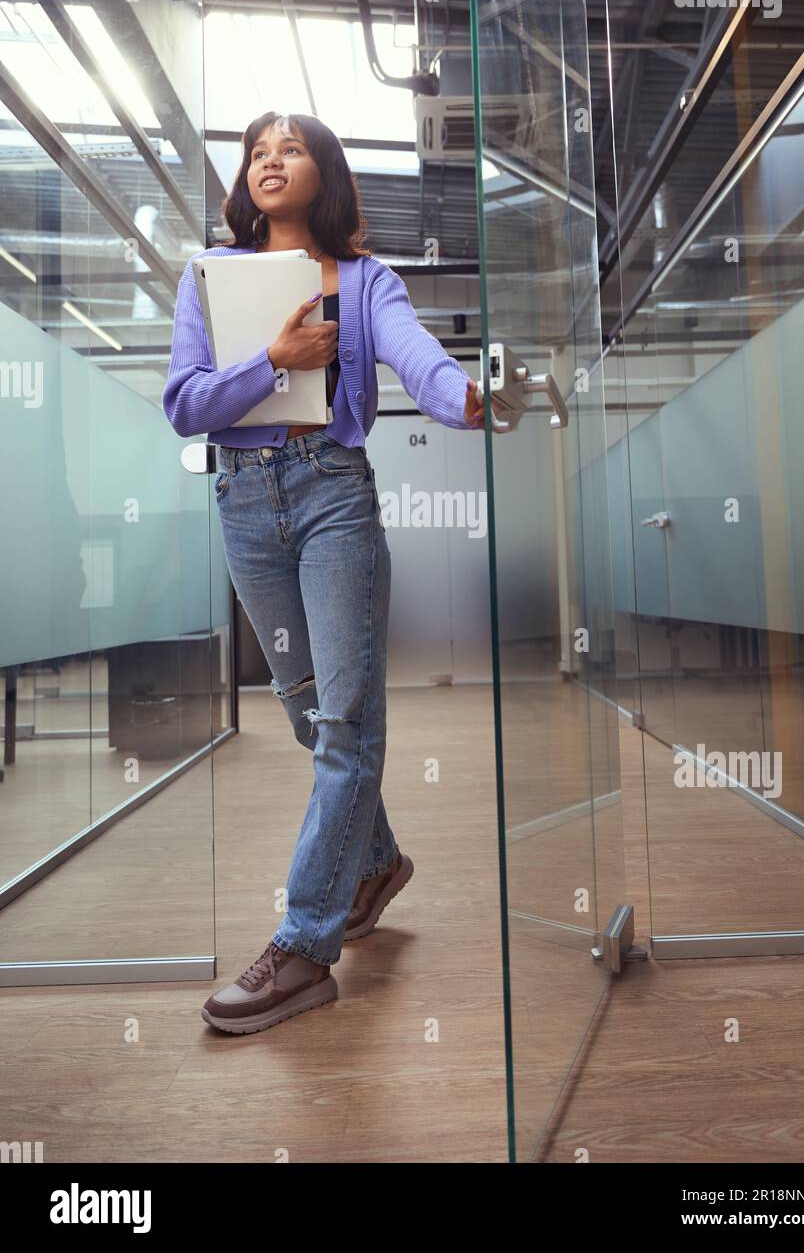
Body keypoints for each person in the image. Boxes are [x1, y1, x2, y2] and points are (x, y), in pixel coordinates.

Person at [163, 111, 499, 1035]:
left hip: (333, 497)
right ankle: (378, 861)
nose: (272, 160)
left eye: (292, 147)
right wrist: (272, 362)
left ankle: (304, 946)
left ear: (327, 172)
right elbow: (184, 404)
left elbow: (416, 356)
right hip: (242, 502)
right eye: (257, 151)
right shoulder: (208, 274)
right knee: (308, 708)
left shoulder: (362, 280)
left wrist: (464, 396)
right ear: (246, 179)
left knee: (347, 718)